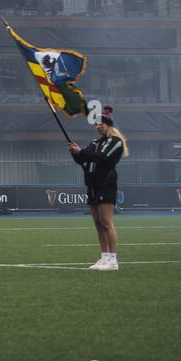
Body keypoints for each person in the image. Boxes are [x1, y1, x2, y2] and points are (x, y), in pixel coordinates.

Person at [68, 106, 127, 271]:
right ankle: (104, 258)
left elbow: (103, 157)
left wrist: (82, 152)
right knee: (98, 224)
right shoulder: (95, 142)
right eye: (96, 125)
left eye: (101, 124)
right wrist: (75, 152)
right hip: (92, 185)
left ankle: (113, 260)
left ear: (108, 125)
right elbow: (82, 159)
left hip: (105, 184)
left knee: (107, 223)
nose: (98, 126)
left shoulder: (116, 142)